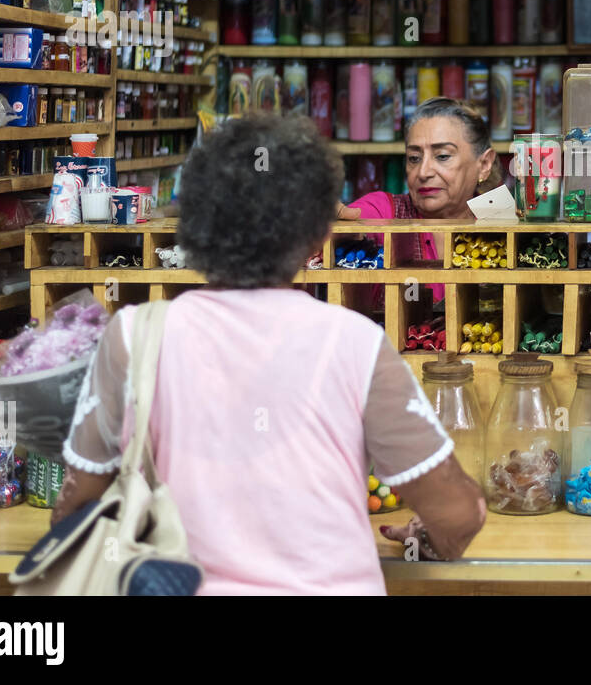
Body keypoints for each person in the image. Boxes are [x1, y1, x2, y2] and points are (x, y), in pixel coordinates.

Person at [54, 114, 486, 594]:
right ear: (321, 237)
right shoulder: (356, 343)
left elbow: (76, 509)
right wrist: (428, 540)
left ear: (194, 225)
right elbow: (459, 515)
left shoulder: (135, 335)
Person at [336, 97, 504, 264]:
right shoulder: (385, 212)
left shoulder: (503, 221)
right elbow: (346, 227)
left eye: (442, 156)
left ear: (484, 164)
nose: (423, 173)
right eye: (414, 158)